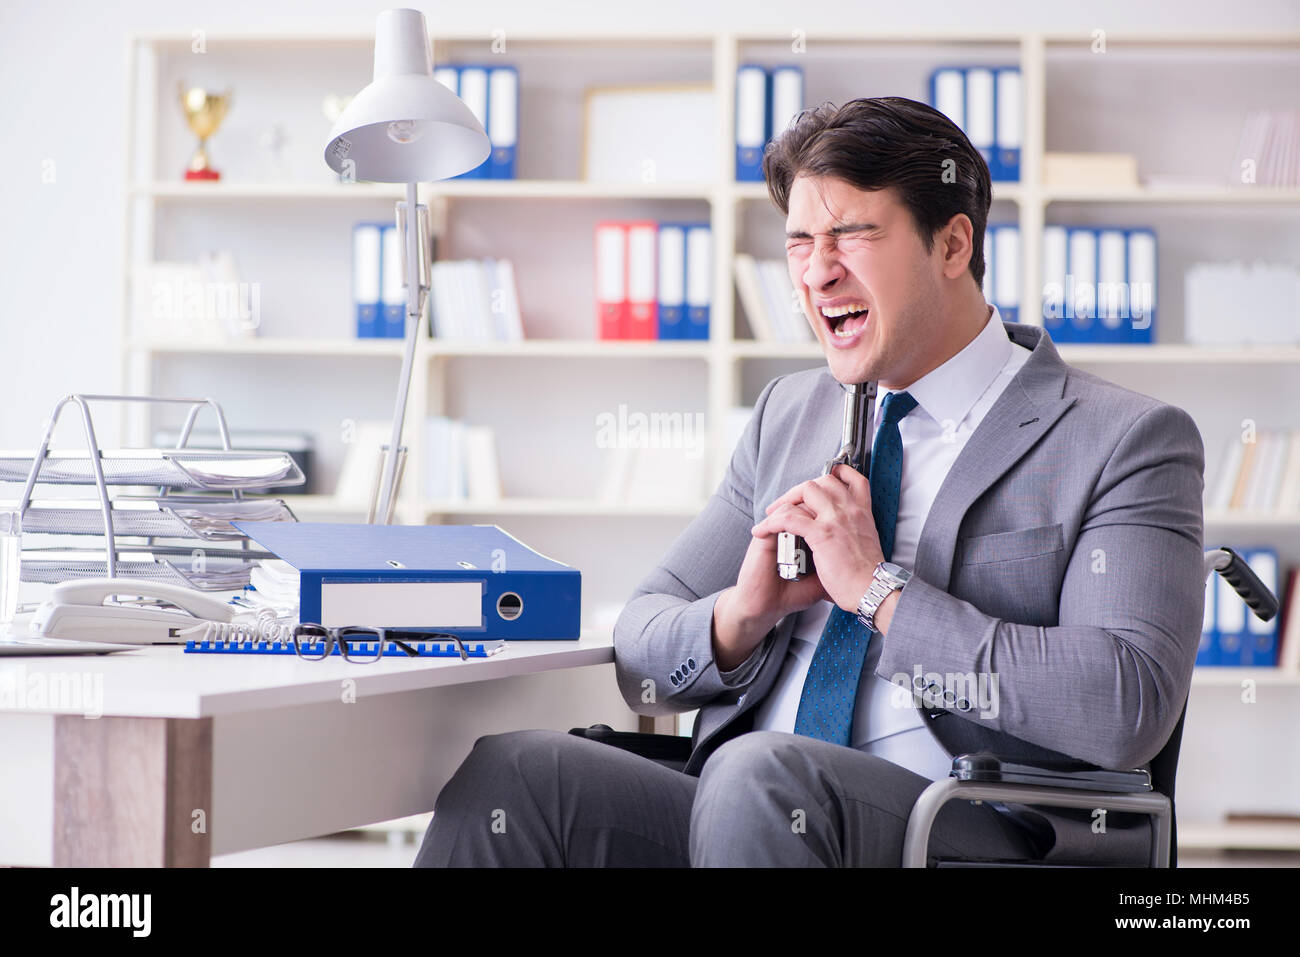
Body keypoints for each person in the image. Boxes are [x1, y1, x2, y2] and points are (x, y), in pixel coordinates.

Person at [413, 96, 1204, 867]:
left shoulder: (1123, 438)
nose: (816, 274)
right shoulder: (790, 413)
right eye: (798, 242)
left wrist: (879, 591)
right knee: (514, 774)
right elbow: (641, 645)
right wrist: (740, 616)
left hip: (964, 825)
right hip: (740, 802)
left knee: (761, 772)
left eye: (851, 235)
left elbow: (1123, 704)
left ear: (953, 245)